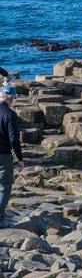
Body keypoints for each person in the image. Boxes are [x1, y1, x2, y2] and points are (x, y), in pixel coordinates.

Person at [0, 83, 23, 226]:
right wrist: (20, 158)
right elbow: (14, 139)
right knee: (5, 186)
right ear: (11, 98)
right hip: (3, 155)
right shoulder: (10, 114)